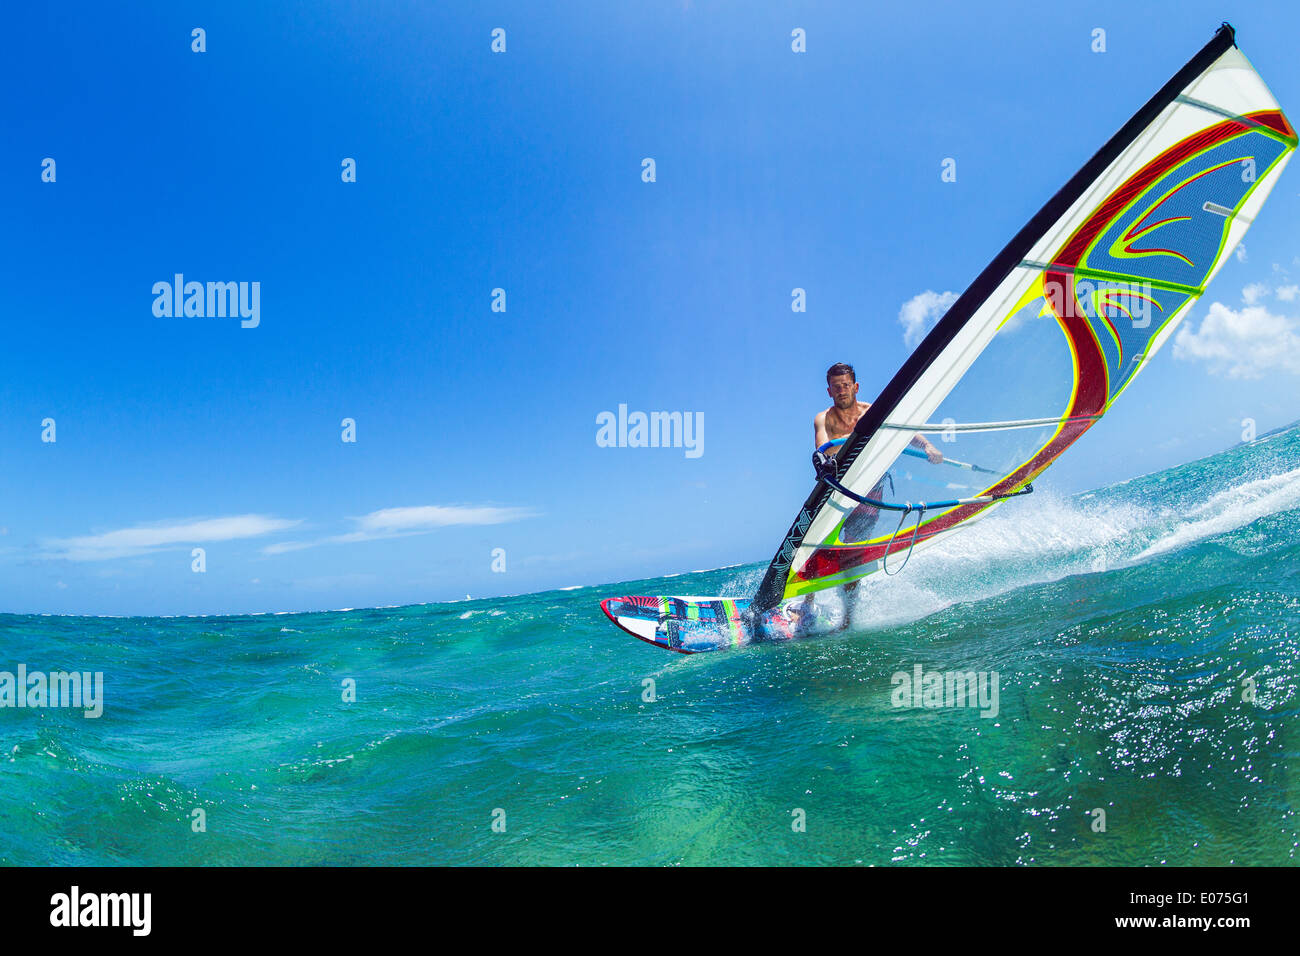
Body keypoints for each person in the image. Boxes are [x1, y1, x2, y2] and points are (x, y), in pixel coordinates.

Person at [798, 362, 943, 630]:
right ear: (829, 391)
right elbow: (822, 445)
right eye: (836, 387)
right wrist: (825, 459)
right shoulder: (824, 418)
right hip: (838, 491)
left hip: (868, 497)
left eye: (845, 386)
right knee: (815, 547)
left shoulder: (872, 413)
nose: (841, 391)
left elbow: (906, 432)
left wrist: (928, 446)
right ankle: (807, 603)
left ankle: (847, 620)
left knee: (852, 558)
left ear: (855, 387)